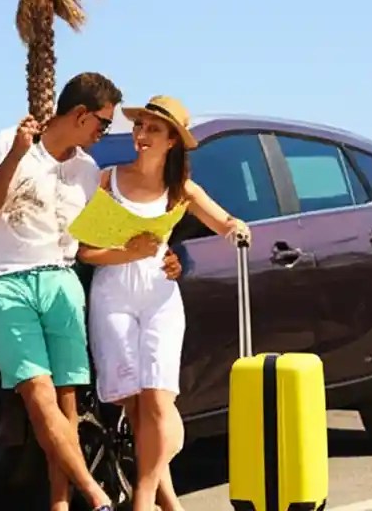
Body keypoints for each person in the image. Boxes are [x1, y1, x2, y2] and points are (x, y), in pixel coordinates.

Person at [0, 72, 181, 511]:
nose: (105, 135)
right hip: (9, 282)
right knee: (38, 395)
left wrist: (155, 251)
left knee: (66, 405)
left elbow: (97, 241)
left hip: (63, 281)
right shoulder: (11, 142)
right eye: (103, 125)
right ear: (81, 115)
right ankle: (96, 494)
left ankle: (61, 503)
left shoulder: (88, 171)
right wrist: (16, 156)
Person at [77, 95, 249, 511]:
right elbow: (85, 251)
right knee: (134, 407)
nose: (142, 135)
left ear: (173, 140)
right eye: (140, 127)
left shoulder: (181, 190)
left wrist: (237, 228)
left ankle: (142, 498)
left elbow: (224, 221)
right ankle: (169, 502)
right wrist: (130, 252)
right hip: (113, 293)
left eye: (153, 129)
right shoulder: (107, 179)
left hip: (160, 296)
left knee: (158, 400)